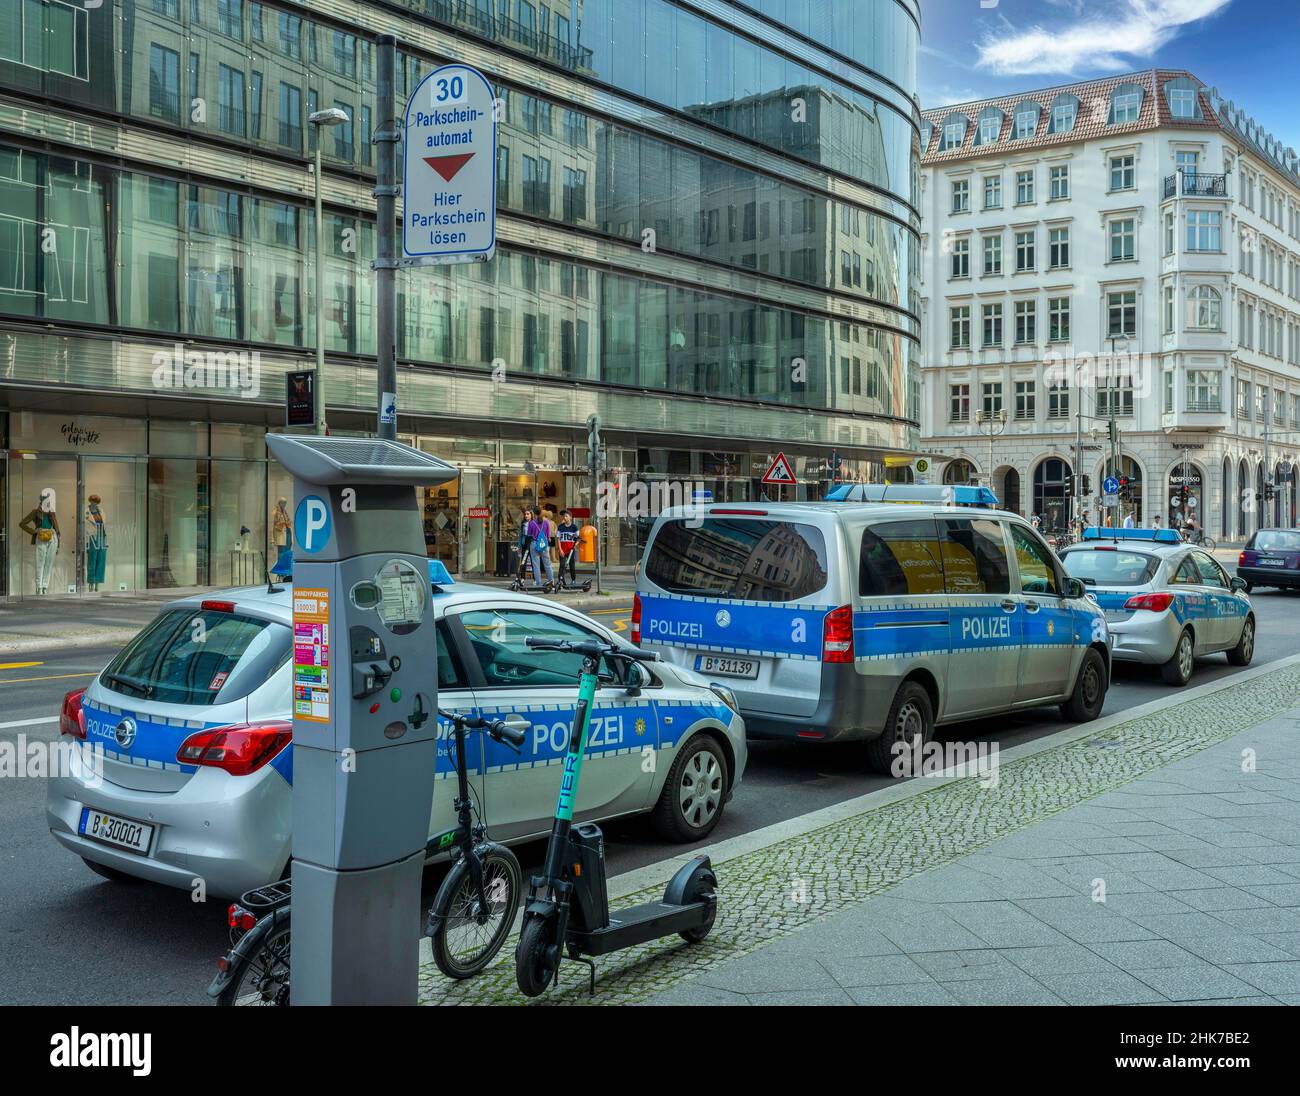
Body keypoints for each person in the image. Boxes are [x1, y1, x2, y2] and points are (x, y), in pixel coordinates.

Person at [19, 488, 61, 594]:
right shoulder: (35, 512)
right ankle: (39, 586)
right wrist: (34, 532)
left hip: (53, 537)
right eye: (45, 499)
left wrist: (58, 542)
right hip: (41, 536)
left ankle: (45, 586)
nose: (47, 501)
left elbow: (57, 528)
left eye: (48, 499)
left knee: (49, 563)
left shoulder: (51, 512)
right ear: (41, 500)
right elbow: (22, 523)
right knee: (40, 562)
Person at [524, 509, 554, 589]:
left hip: (534, 544)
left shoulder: (531, 523)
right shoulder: (546, 522)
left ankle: (538, 582)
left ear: (534, 513)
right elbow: (548, 536)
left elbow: (529, 535)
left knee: (536, 565)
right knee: (547, 564)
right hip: (544, 545)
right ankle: (551, 581)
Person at [86, 494, 108, 591]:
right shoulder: (86, 512)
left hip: (102, 536)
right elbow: (84, 527)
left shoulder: (101, 511)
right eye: (93, 502)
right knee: (92, 560)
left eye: (96, 502)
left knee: (101, 560)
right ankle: (91, 582)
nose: (94, 504)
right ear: (90, 501)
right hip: (92, 537)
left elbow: (104, 525)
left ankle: (98, 583)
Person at [555, 509, 580, 585]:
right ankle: (560, 580)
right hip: (563, 550)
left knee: (572, 566)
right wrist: (560, 549)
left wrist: (574, 546)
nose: (564, 517)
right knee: (562, 565)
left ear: (570, 517)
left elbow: (578, 539)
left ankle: (573, 580)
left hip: (571, 550)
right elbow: (558, 539)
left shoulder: (574, 527)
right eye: (564, 516)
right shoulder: (561, 527)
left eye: (566, 516)